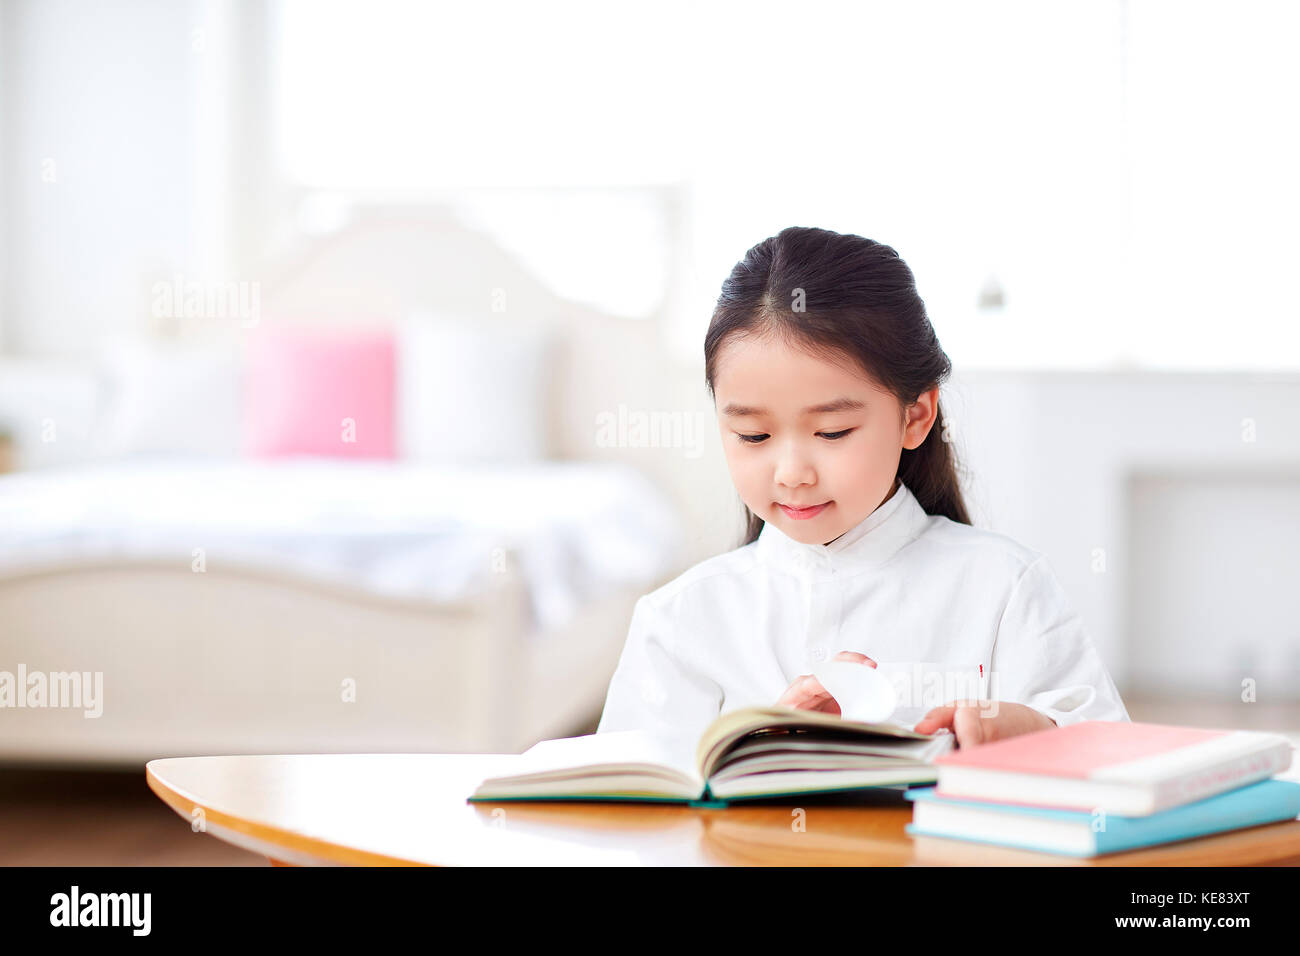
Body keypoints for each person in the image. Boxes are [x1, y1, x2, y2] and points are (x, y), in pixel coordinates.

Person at [596, 226, 1129, 749]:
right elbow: (628, 800)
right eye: (753, 435)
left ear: (915, 415)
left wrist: (1032, 734)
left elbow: (1113, 756)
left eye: (831, 432)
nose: (791, 473)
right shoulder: (681, 619)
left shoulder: (1004, 588)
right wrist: (756, 747)